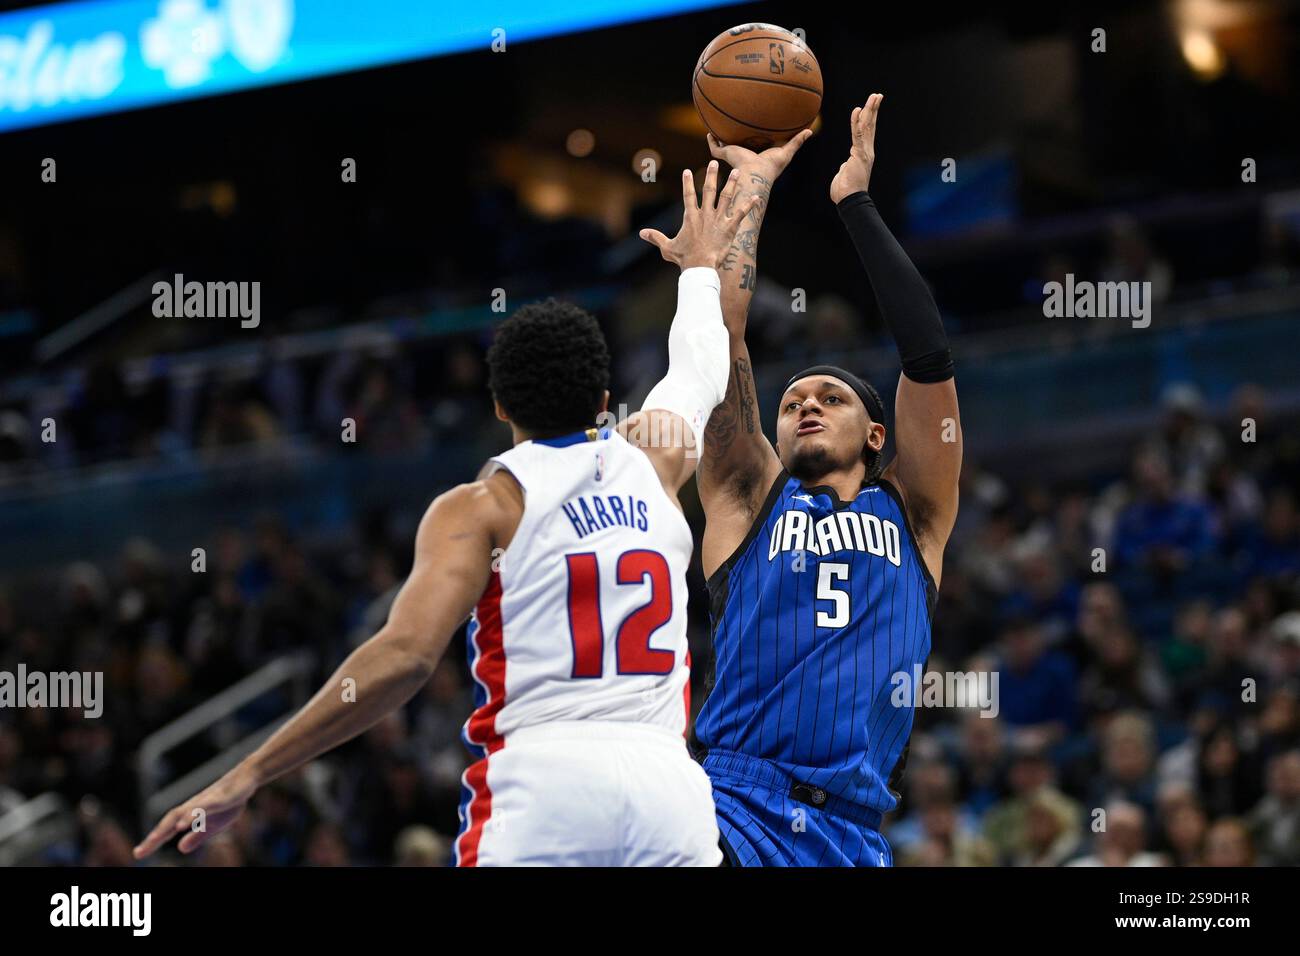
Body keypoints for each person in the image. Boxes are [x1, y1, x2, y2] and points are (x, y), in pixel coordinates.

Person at [134, 162, 756, 867]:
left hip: (545, 784)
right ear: (605, 396)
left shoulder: (483, 505)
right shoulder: (656, 458)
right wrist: (701, 267)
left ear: (499, 407)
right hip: (667, 788)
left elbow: (403, 659)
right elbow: (700, 359)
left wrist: (247, 774)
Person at [690, 93, 962, 866]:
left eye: (830, 397)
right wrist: (754, 181)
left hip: (852, 827)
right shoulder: (751, 497)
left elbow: (928, 357)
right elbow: (724, 337)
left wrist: (856, 205)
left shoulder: (917, 514)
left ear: (877, 435)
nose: (805, 404)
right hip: (731, 804)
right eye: (791, 401)